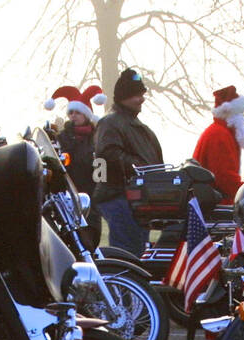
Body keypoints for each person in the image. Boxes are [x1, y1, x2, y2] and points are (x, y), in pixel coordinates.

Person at [93, 67, 163, 256]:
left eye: (142, 94)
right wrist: (139, 167)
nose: (141, 99)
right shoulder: (110, 123)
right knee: (126, 254)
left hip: (139, 200)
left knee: (138, 251)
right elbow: (107, 154)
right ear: (123, 97)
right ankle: (121, 284)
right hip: (118, 197)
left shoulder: (141, 129)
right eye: (136, 95)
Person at [48, 83, 106, 246]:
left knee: (89, 241)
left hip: (90, 202)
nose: (74, 116)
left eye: (78, 112)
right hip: (66, 199)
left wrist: (98, 197)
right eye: (71, 112)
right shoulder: (62, 138)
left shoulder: (97, 139)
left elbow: (101, 173)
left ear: (87, 115)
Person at [192, 84, 244, 200]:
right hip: (217, 203)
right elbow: (224, 179)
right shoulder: (219, 135)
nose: (243, 117)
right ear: (230, 113)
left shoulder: (223, 132)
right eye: (240, 113)